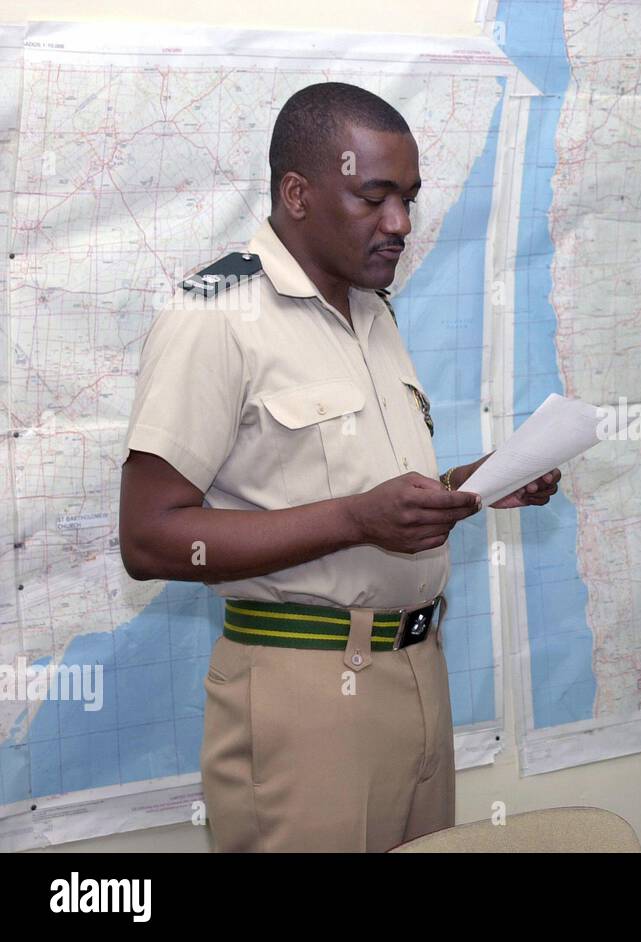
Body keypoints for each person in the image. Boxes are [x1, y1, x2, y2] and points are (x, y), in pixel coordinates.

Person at [118, 82, 559, 851]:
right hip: (304, 688)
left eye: (410, 199)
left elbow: (360, 496)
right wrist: (356, 519)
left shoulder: (372, 309)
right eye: (375, 197)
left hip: (418, 672)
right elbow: (149, 538)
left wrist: (472, 485)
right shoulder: (215, 315)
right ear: (297, 193)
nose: (400, 224)